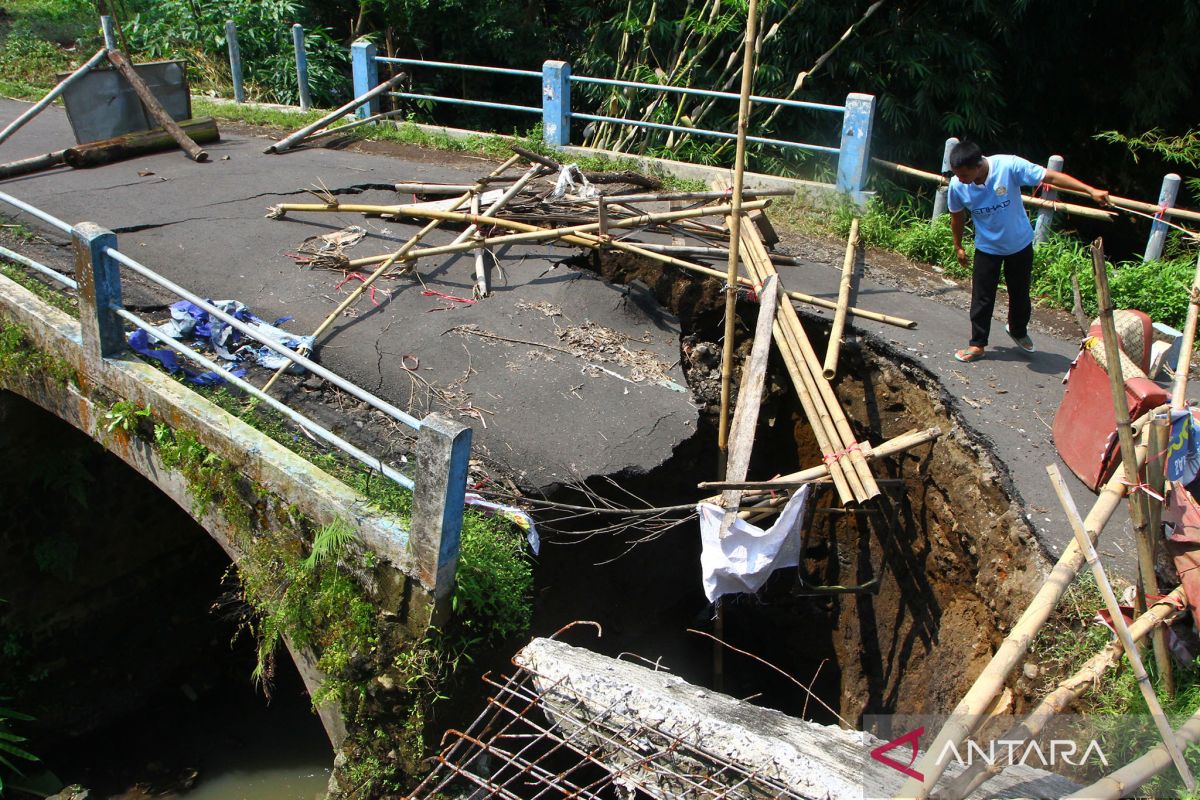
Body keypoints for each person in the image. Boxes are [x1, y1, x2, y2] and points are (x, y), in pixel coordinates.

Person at [947, 141, 1109, 363]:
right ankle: (977, 344)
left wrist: (1091, 191)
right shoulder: (958, 185)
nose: (961, 180)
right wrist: (958, 245)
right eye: (957, 175)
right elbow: (957, 216)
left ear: (978, 164)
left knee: (1020, 293)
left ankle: (1017, 329)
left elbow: (1049, 177)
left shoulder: (1008, 166)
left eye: (964, 174)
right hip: (987, 247)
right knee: (982, 298)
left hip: (1019, 243)